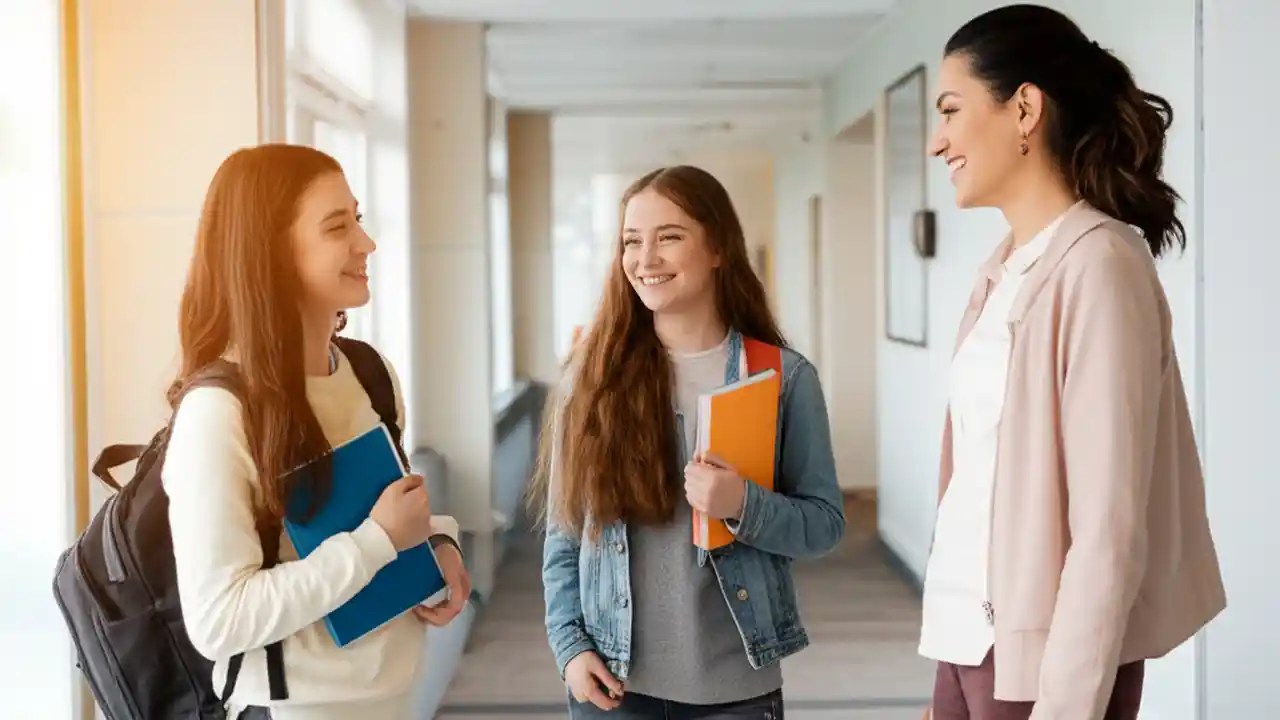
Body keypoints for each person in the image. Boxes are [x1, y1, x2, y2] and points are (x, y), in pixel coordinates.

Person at [919, 5, 1226, 719]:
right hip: (965, 643)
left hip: (1042, 668)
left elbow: (1109, 529)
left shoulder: (1100, 265)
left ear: (1024, 108)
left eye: (952, 110)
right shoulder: (1002, 271)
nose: (939, 142)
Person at [162, 144, 471, 720]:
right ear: (271, 253)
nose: (366, 242)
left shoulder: (367, 372)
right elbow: (220, 620)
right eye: (337, 227)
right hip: (295, 709)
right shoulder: (219, 412)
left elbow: (384, 516)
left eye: (357, 218)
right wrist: (377, 543)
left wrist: (438, 541)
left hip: (396, 697)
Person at [532, 165, 846, 719]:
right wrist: (569, 647)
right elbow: (565, 531)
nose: (645, 260)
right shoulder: (592, 377)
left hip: (734, 688)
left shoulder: (781, 377)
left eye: (669, 237)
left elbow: (823, 524)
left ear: (718, 247)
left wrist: (742, 506)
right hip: (612, 684)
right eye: (632, 241)